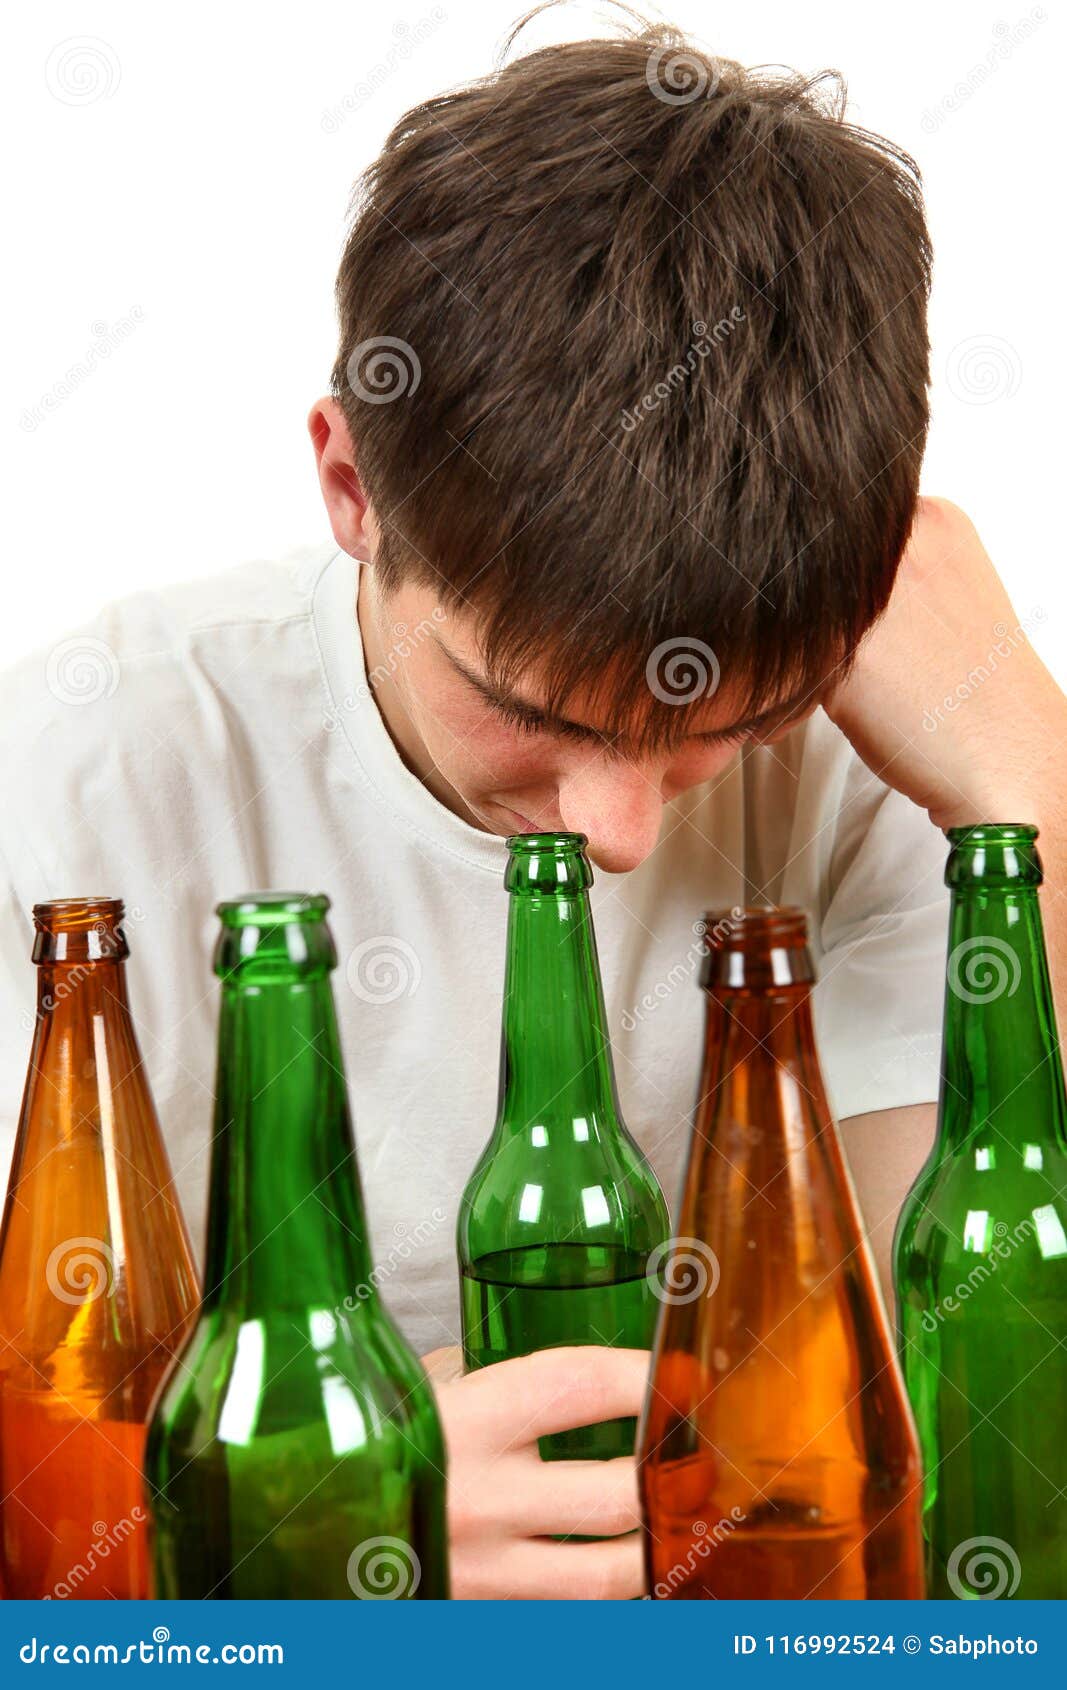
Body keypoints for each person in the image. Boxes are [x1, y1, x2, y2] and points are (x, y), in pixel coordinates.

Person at [2, 21, 1064, 1600]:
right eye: (536, 711)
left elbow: (954, 1403)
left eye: (730, 723)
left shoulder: (896, 740)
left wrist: (1039, 792)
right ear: (354, 489)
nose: (623, 832)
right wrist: (299, 1517)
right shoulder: (76, 767)